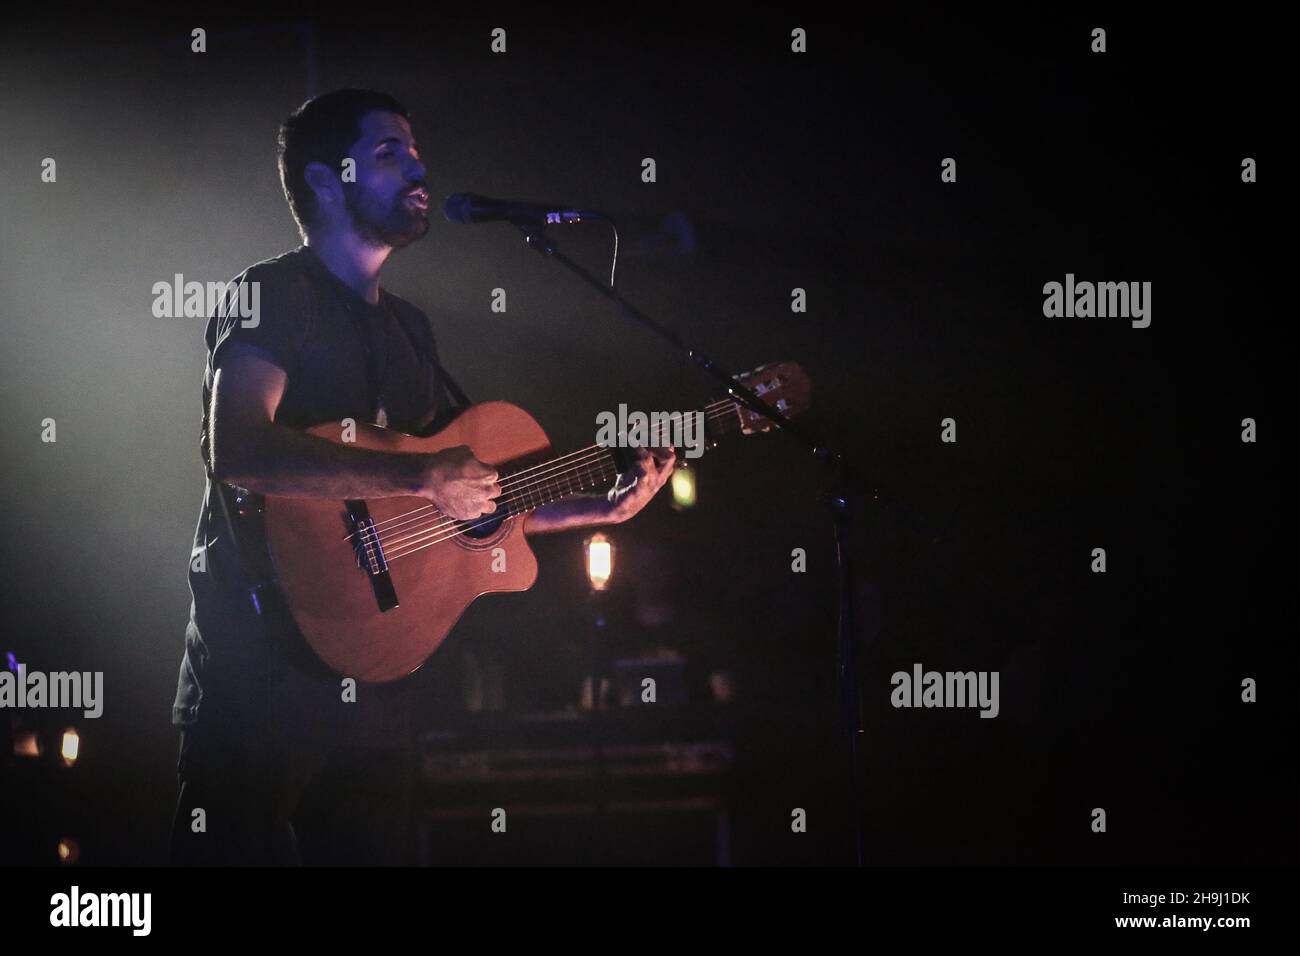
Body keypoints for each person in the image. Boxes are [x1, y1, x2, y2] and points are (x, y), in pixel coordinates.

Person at [169, 89, 676, 865]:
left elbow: (459, 510)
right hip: (258, 679)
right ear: (324, 179)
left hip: (378, 681)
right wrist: (419, 477)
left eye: (414, 149)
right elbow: (238, 450)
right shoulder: (270, 296)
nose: (419, 166)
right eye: (389, 152)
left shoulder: (411, 330)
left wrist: (592, 510)